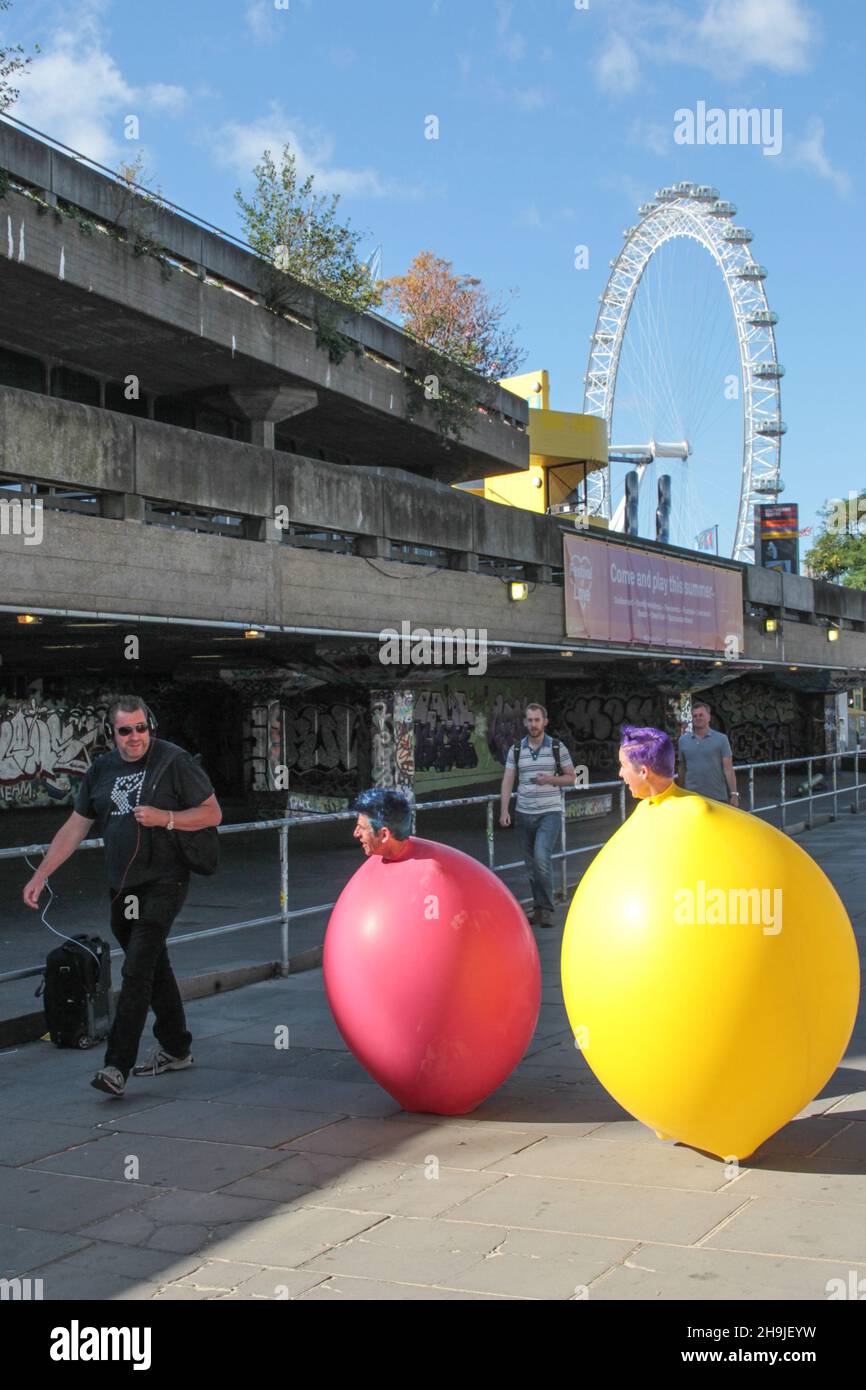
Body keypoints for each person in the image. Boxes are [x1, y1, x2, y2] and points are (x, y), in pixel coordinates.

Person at [22, 696, 222, 1098]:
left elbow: (212, 813)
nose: (135, 737)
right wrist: (41, 875)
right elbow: (75, 827)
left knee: (136, 971)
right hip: (122, 886)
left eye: (141, 728)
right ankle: (177, 1046)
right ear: (111, 734)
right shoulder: (101, 770)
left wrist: (166, 818)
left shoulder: (175, 762)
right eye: (125, 731)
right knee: (151, 965)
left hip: (165, 880)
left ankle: (117, 1065)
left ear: (151, 725)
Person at [499, 703, 575, 929]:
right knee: (531, 866)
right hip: (524, 814)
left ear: (545, 722)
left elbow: (572, 777)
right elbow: (508, 780)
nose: (533, 724)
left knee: (542, 857)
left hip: (549, 812)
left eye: (537, 720)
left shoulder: (557, 748)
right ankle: (539, 909)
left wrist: (550, 779)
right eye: (530, 720)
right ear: (525, 723)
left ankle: (547, 908)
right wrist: (505, 810)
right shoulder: (516, 750)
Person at [677, 700, 739, 806]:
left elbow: (728, 768)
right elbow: (682, 767)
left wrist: (734, 794)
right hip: (692, 797)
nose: (698, 718)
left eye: (701, 715)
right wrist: (680, 791)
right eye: (695, 716)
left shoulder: (722, 739)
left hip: (717, 796)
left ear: (709, 717)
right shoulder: (683, 741)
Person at [618, 723, 690, 809]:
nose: (620, 773)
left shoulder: (640, 820)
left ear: (644, 772)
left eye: (623, 765)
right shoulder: (704, 807)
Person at [353, 787, 413, 861]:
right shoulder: (375, 857)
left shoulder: (426, 870)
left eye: (362, 827)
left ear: (384, 835)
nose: (356, 834)